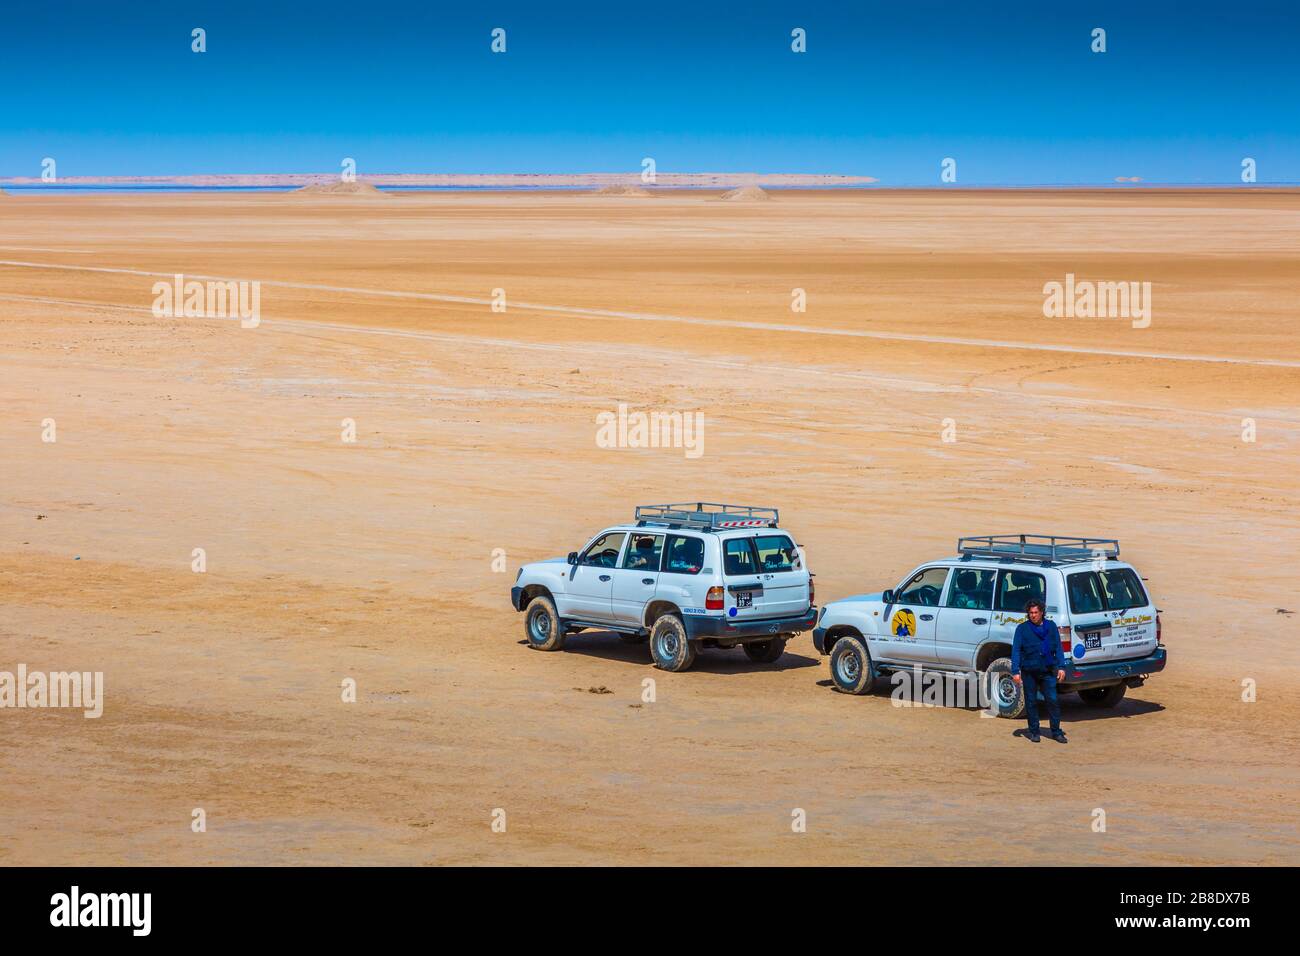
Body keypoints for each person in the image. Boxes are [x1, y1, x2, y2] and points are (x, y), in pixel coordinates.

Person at [1011, 598, 1067, 743]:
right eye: (1031, 613)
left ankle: (1056, 732)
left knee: (1053, 700)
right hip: (1029, 670)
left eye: (1036, 612)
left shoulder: (1051, 627)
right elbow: (1016, 650)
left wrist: (1061, 666)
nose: (1033, 615)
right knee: (1031, 701)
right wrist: (1015, 671)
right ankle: (1034, 731)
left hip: (1048, 670)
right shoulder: (1022, 629)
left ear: (1042, 612)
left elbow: (1059, 648)